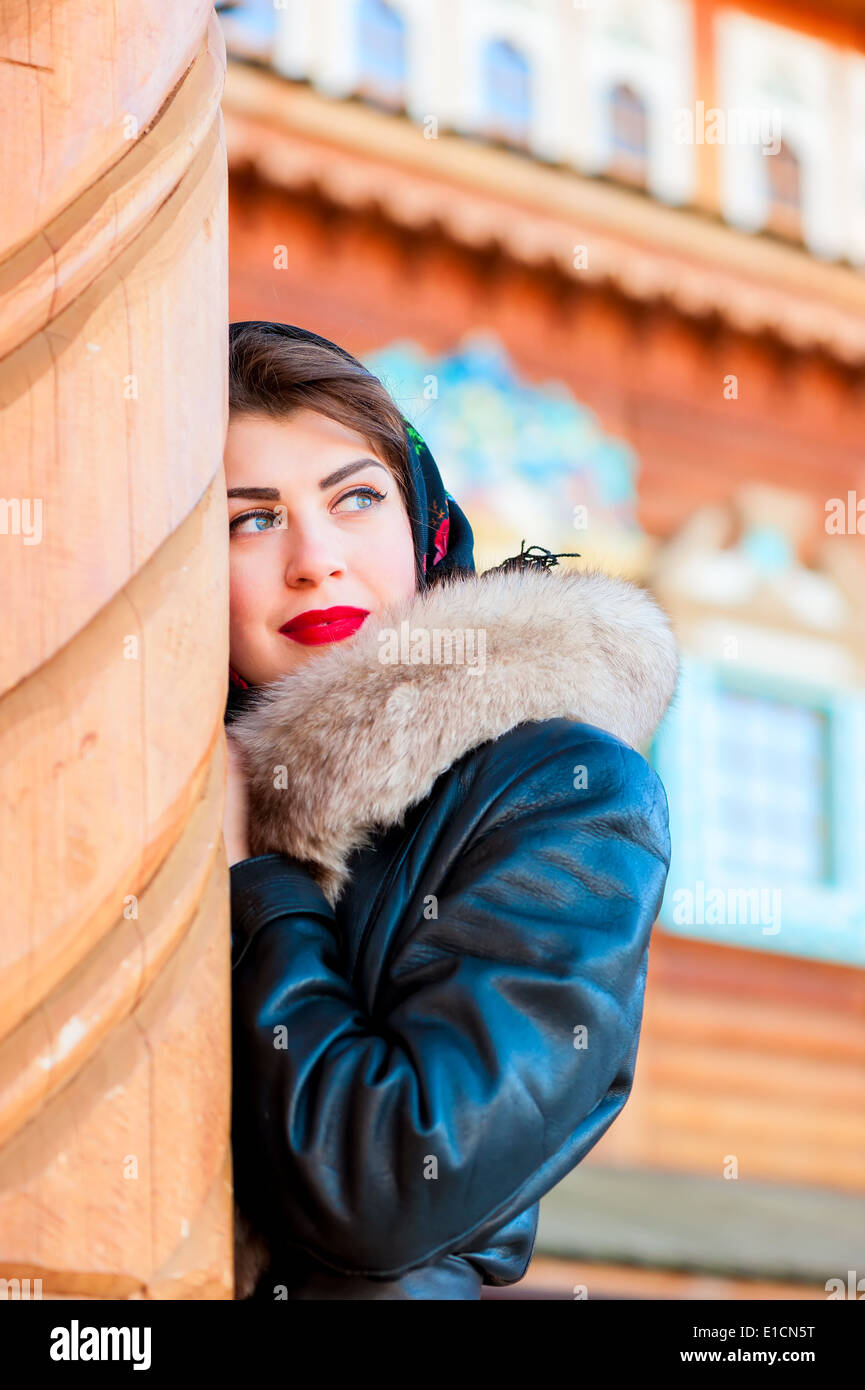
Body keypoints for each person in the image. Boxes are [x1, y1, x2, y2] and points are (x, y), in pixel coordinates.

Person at [223, 320, 678, 1300]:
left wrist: (260, 884)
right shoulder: (141, 777)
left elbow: (384, 1186)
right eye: (249, 519)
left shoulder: (563, 790)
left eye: (354, 498)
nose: (314, 559)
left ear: (424, 526)